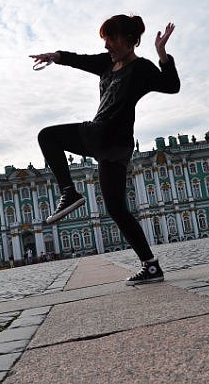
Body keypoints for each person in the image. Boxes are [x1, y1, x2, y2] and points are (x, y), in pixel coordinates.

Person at [31, 14, 180, 285]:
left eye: (111, 39)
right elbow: (80, 59)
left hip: (102, 134)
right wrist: (56, 56)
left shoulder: (141, 68)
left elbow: (172, 86)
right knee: (117, 209)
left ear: (130, 40)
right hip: (116, 147)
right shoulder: (106, 64)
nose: (107, 45)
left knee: (47, 136)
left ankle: (69, 192)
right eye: (105, 40)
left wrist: (162, 54)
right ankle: (151, 266)